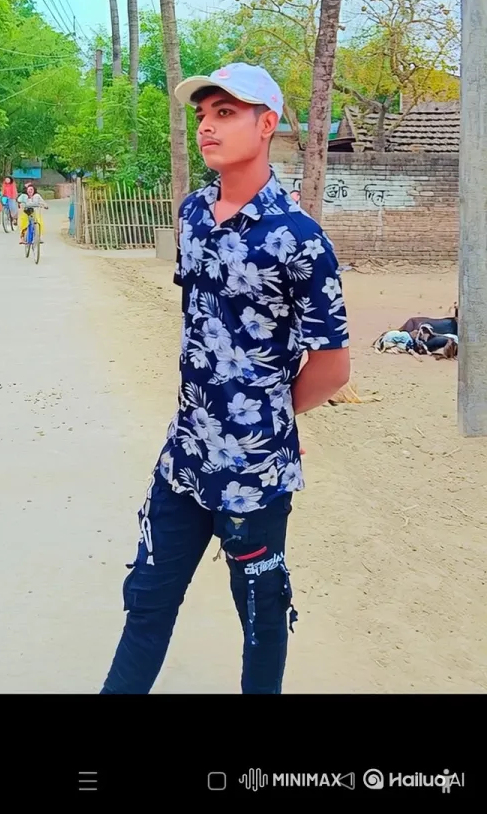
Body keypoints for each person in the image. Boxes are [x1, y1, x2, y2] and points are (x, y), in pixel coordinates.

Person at [100, 62, 350, 696]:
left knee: (263, 621)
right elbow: (201, 322)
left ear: (267, 125)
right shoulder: (191, 216)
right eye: (203, 115)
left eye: (226, 113)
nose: (208, 126)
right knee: (148, 601)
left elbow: (332, 366)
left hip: (255, 479)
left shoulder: (301, 241)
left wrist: (261, 417)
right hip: (183, 461)